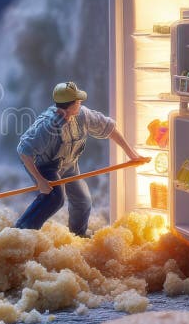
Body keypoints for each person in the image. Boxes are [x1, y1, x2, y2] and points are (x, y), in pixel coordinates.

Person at [15, 81, 141, 235]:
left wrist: (132, 155)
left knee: (83, 201)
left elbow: (110, 129)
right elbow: (24, 151)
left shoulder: (83, 115)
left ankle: (78, 235)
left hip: (70, 166)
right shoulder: (47, 126)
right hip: (46, 167)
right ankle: (20, 233)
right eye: (78, 101)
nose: (80, 103)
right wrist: (40, 181)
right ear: (69, 105)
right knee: (54, 199)